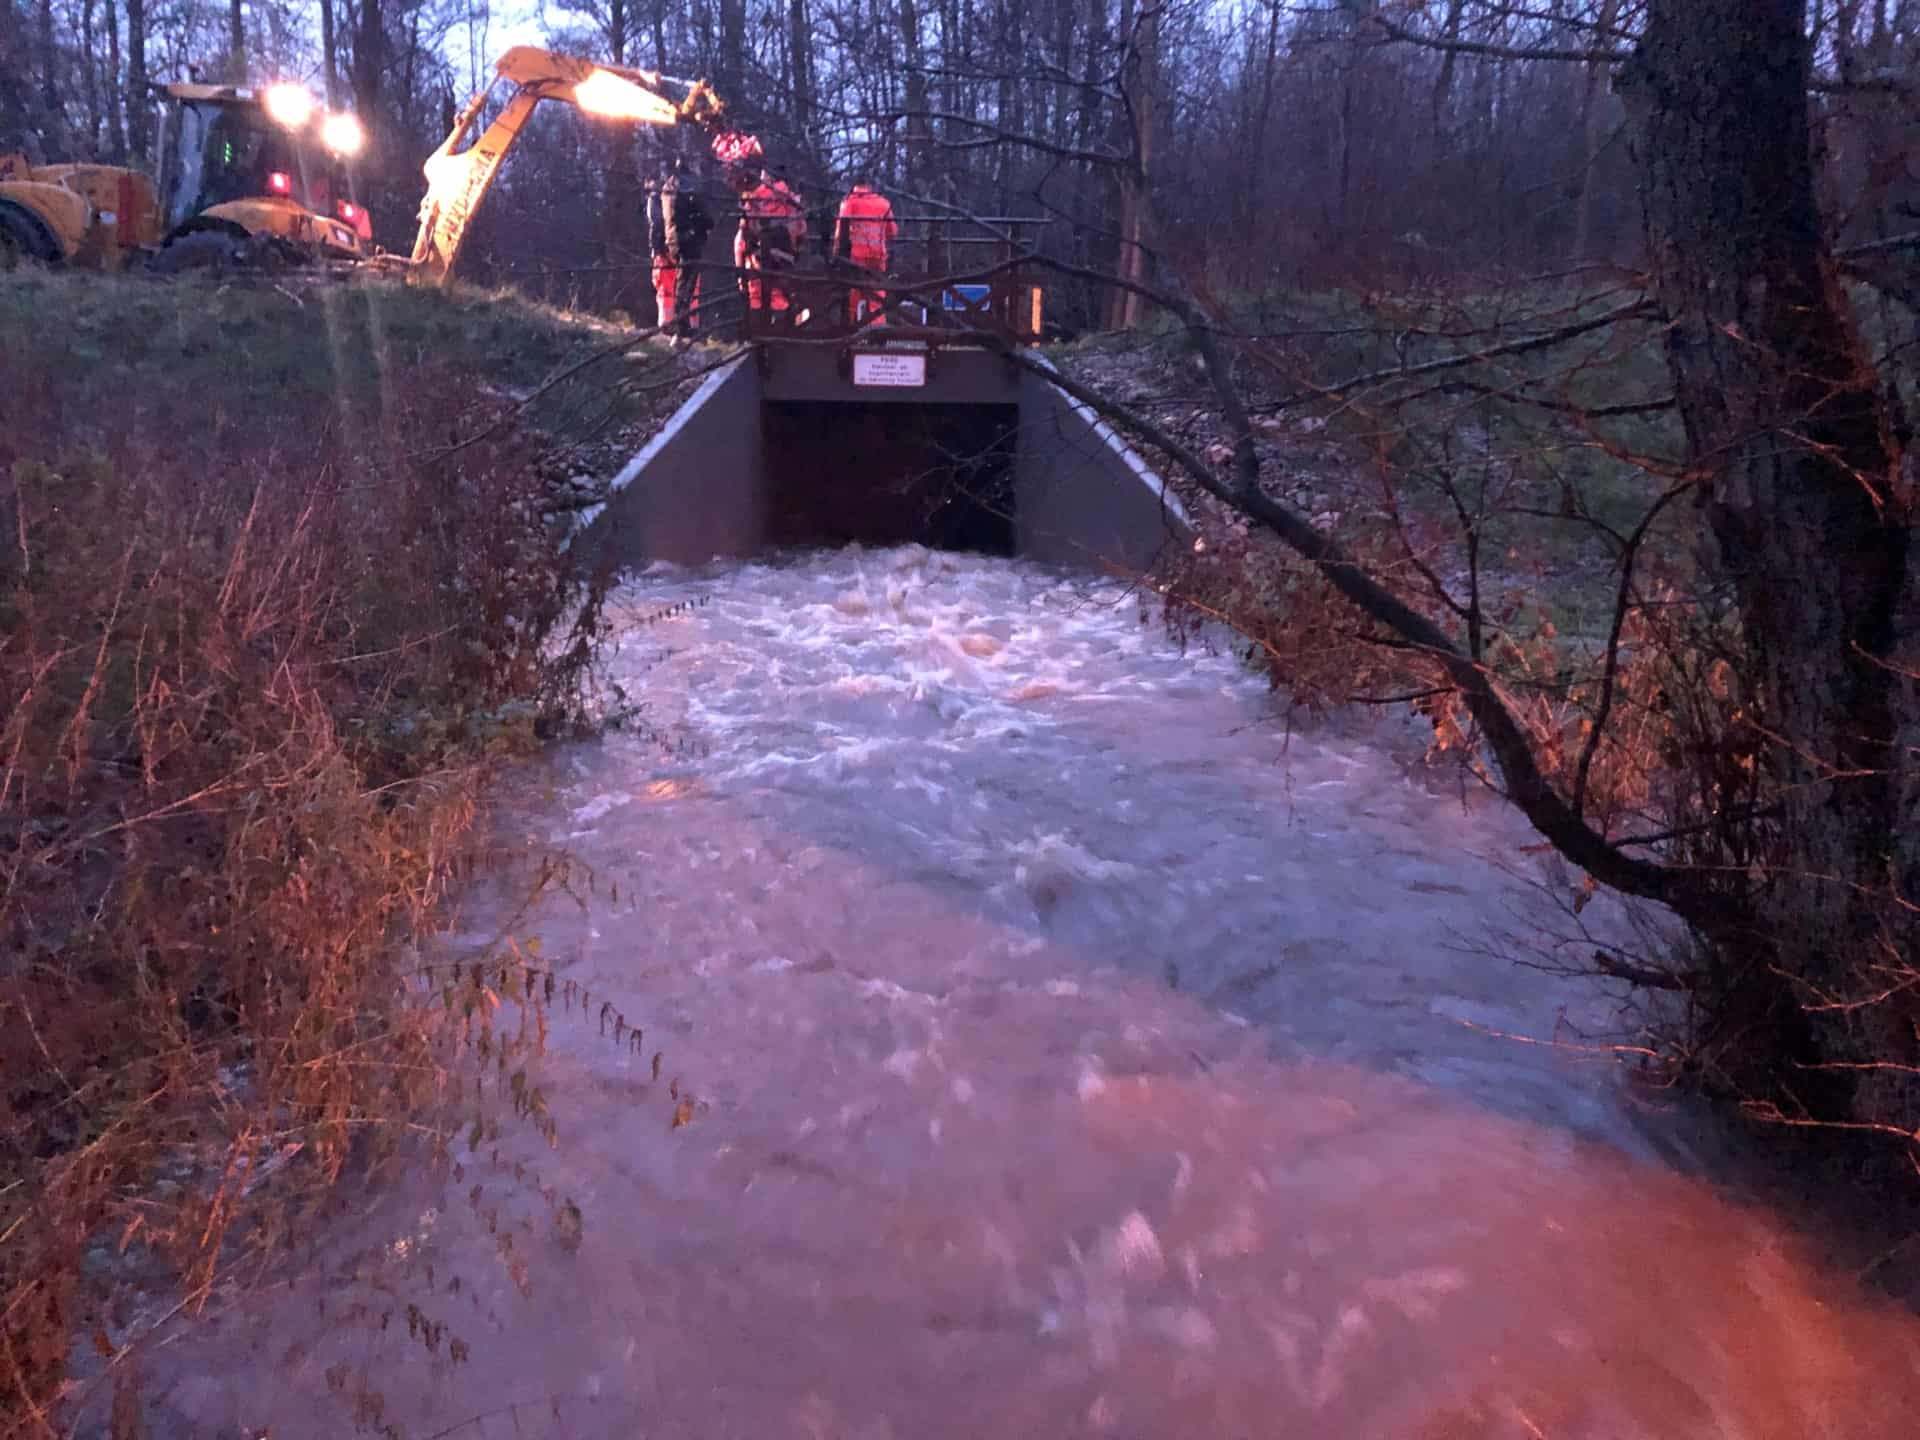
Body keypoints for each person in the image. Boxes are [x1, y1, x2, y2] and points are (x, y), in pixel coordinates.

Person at [740, 165, 806, 318]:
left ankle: (759, 322)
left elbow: (746, 222)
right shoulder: (791, 198)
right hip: (786, 248)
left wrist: (749, 244)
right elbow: (801, 228)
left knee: (759, 287)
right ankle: (786, 321)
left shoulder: (757, 195)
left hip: (760, 248)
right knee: (784, 287)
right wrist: (797, 249)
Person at [834, 177, 899, 325]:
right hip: (877, 257)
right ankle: (878, 328)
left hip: (854, 257)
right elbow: (893, 232)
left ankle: (850, 328)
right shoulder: (883, 203)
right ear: (870, 185)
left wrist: (836, 253)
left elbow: (840, 232)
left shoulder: (849, 203)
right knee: (876, 294)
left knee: (852, 294)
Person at [661, 155, 712, 333]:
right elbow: (702, 213)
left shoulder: (668, 185)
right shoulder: (688, 186)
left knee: (681, 280)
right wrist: (706, 224)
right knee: (687, 282)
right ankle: (681, 323)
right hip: (688, 239)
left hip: (673, 239)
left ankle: (680, 322)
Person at [644, 175, 676, 330]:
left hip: (664, 250)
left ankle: (665, 325)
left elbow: (656, 224)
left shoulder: (655, 200)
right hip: (679, 248)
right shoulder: (679, 195)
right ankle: (682, 326)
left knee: (664, 287)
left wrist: (658, 249)